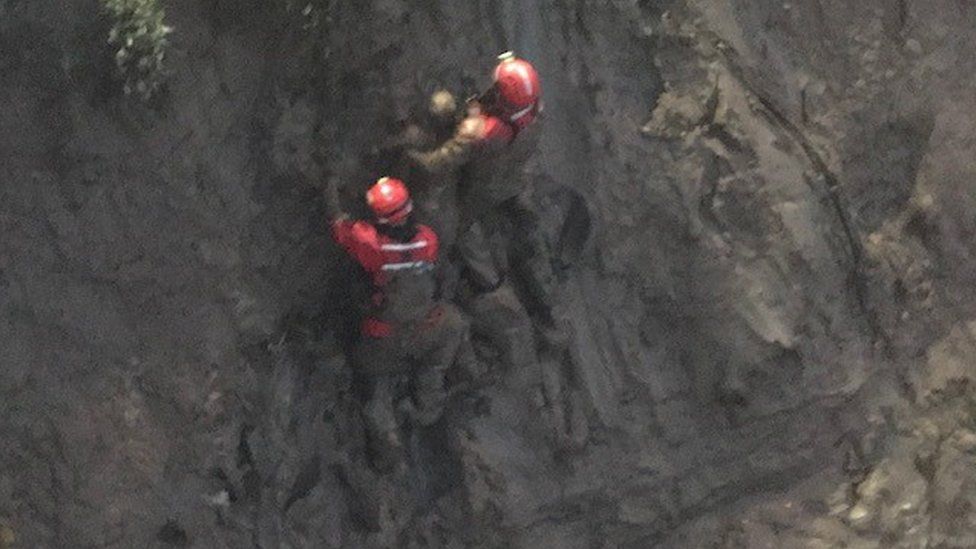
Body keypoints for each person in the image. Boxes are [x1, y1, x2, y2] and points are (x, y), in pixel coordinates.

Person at [326, 176, 470, 471]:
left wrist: (330, 189)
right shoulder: (427, 240)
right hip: (425, 328)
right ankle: (428, 404)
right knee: (453, 325)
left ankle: (386, 451)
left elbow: (340, 227)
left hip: (383, 340)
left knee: (375, 389)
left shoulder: (373, 246)